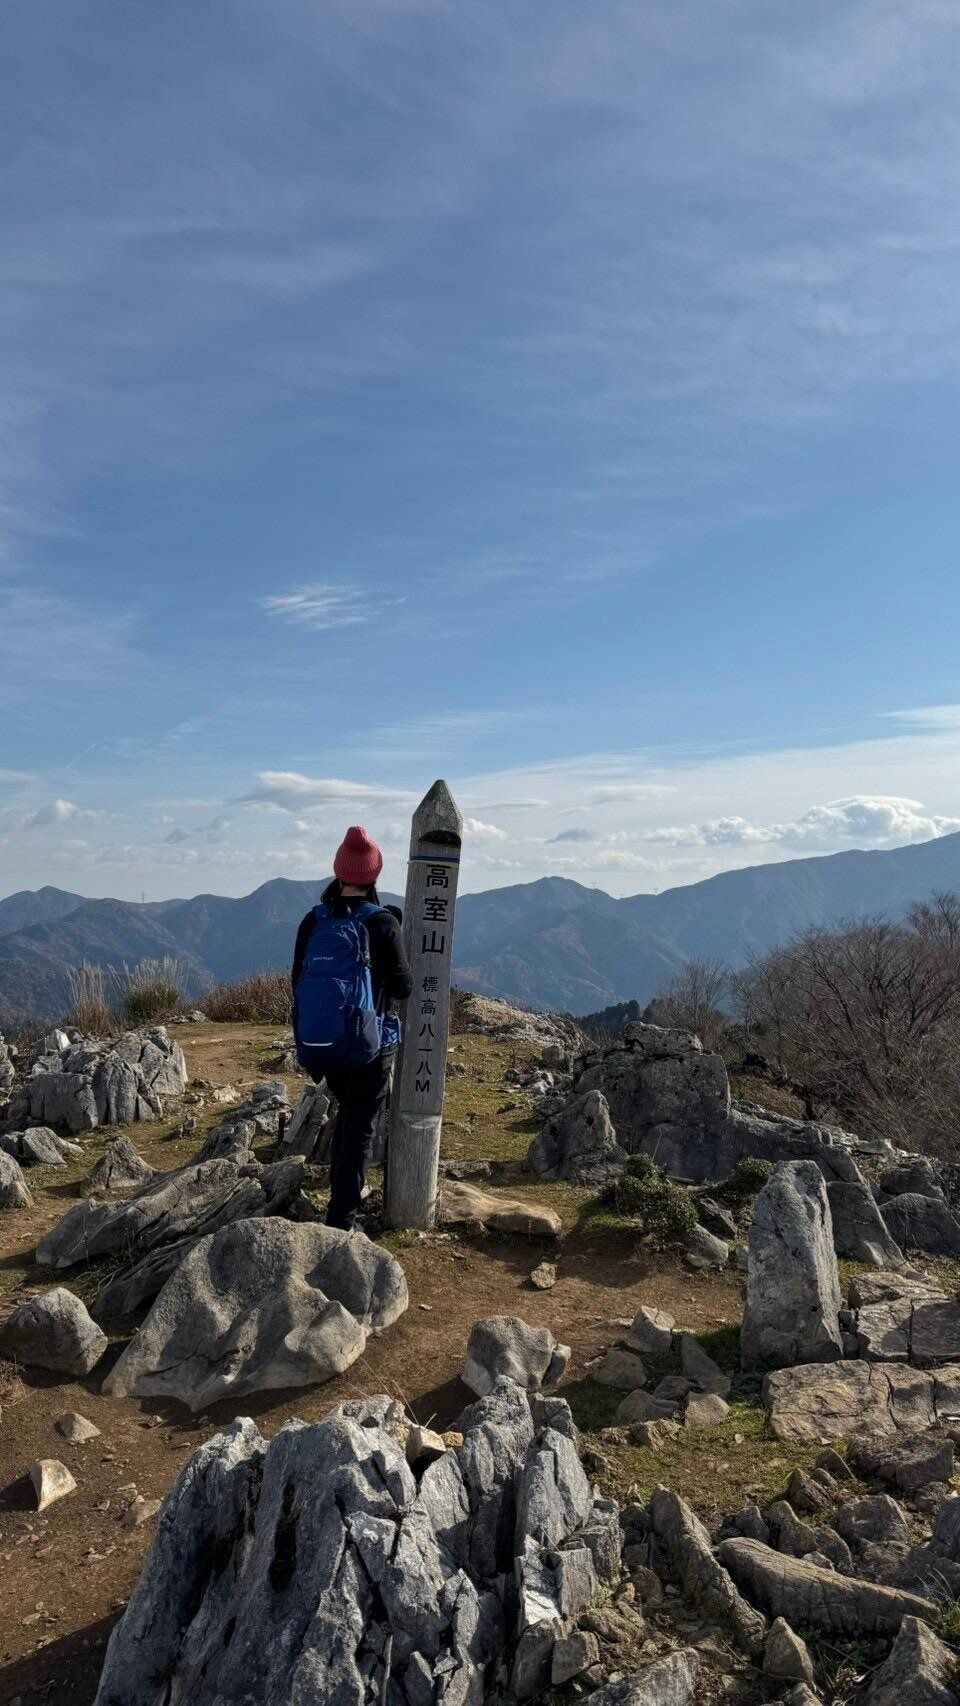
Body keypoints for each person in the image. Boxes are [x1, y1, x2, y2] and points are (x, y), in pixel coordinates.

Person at [291, 826, 412, 1230]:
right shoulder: (381, 923)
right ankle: (341, 1220)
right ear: (374, 873)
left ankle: (338, 1199)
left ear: (339, 871)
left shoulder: (315, 919)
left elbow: (297, 981)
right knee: (361, 1126)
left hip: (320, 1041)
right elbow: (402, 987)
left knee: (348, 1113)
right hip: (367, 1045)